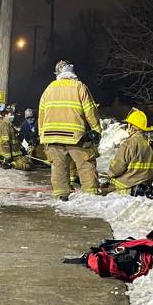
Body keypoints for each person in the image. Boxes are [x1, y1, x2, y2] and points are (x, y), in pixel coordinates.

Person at [38, 60, 101, 200]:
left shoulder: (49, 89)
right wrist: (96, 130)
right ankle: (91, 196)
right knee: (86, 164)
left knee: (58, 168)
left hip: (51, 136)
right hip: (76, 137)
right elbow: (90, 110)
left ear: (58, 73)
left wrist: (41, 134)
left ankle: (61, 196)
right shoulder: (79, 87)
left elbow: (41, 113)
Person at [104, 108, 153, 196]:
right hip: (146, 184)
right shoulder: (151, 145)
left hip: (128, 185)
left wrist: (109, 175)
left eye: (129, 124)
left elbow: (117, 168)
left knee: (104, 190)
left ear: (132, 127)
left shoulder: (128, 144)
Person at [0, 106, 31, 170]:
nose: (13, 116)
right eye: (11, 114)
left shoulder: (10, 125)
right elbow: (5, 143)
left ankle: (6, 163)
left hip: (15, 154)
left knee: (29, 162)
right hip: (11, 156)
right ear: (5, 115)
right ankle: (11, 164)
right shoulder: (5, 126)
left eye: (13, 114)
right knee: (27, 166)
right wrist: (8, 158)